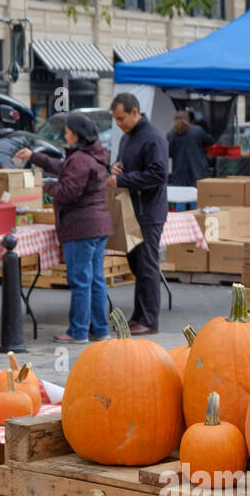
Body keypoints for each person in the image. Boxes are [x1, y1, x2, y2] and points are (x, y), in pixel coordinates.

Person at [15, 113, 112, 344]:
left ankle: (78, 332)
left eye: (67, 131)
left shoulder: (80, 158)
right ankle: (100, 329)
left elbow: (68, 192)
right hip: (98, 226)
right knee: (96, 279)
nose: (65, 135)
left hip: (81, 227)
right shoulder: (94, 154)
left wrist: (45, 185)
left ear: (76, 134)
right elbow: (64, 167)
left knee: (80, 280)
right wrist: (35, 157)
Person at [107, 92, 168, 335]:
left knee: (147, 265)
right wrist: (115, 168)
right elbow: (125, 165)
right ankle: (139, 315)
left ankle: (150, 321)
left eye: (122, 118)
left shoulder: (153, 138)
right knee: (136, 264)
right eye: (116, 120)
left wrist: (123, 178)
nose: (119, 124)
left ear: (134, 112)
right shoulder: (128, 138)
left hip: (149, 212)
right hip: (132, 210)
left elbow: (158, 174)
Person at [167, 113, 213, 191]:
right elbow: (210, 142)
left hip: (179, 177)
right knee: (198, 201)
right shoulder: (198, 130)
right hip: (198, 175)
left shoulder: (171, 134)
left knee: (180, 200)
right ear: (188, 120)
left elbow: (169, 153)